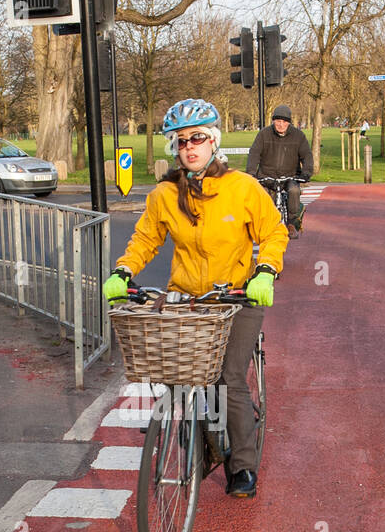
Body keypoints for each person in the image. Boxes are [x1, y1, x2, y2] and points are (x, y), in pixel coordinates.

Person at [102, 98, 289, 499]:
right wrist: (123, 270)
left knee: (228, 378)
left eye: (198, 138)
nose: (190, 147)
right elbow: (146, 239)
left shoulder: (242, 188)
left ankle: (242, 467)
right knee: (176, 372)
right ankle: (195, 439)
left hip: (238, 296)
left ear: (214, 141)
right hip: (189, 297)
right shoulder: (166, 193)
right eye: (182, 140)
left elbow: (274, 232)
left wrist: (266, 271)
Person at [246, 105, 313, 233]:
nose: (281, 125)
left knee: (294, 191)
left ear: (289, 123)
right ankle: (262, 224)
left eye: (284, 122)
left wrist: (306, 173)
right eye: (278, 121)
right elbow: (254, 153)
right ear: (273, 121)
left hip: (290, 176)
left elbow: (307, 156)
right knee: (261, 196)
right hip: (267, 175)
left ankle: (292, 223)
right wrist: (251, 173)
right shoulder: (264, 134)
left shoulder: (298, 136)